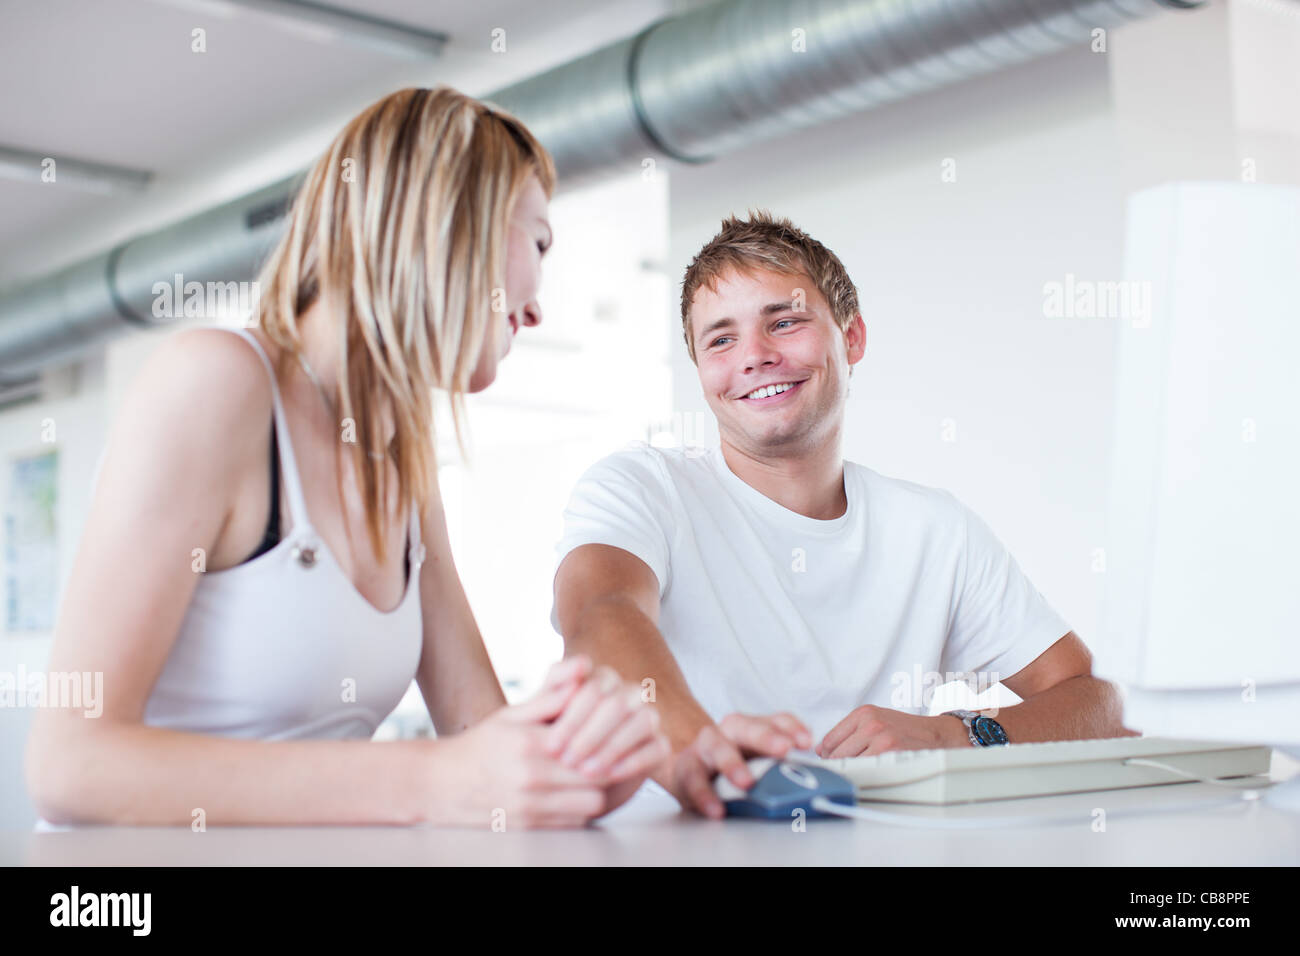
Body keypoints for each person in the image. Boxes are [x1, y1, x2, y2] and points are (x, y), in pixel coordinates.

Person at [26, 86, 667, 829]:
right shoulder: (215, 382)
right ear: (452, 221)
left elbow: (480, 737)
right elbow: (67, 765)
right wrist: (428, 780)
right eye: (541, 243)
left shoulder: (404, 449)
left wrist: (612, 766)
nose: (536, 308)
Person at [552, 210, 1135, 818]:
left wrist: (955, 736)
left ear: (851, 338)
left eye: (785, 321)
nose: (754, 355)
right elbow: (599, 618)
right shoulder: (643, 487)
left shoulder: (936, 531)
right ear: (701, 372)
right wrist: (702, 750)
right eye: (721, 339)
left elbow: (1102, 703)